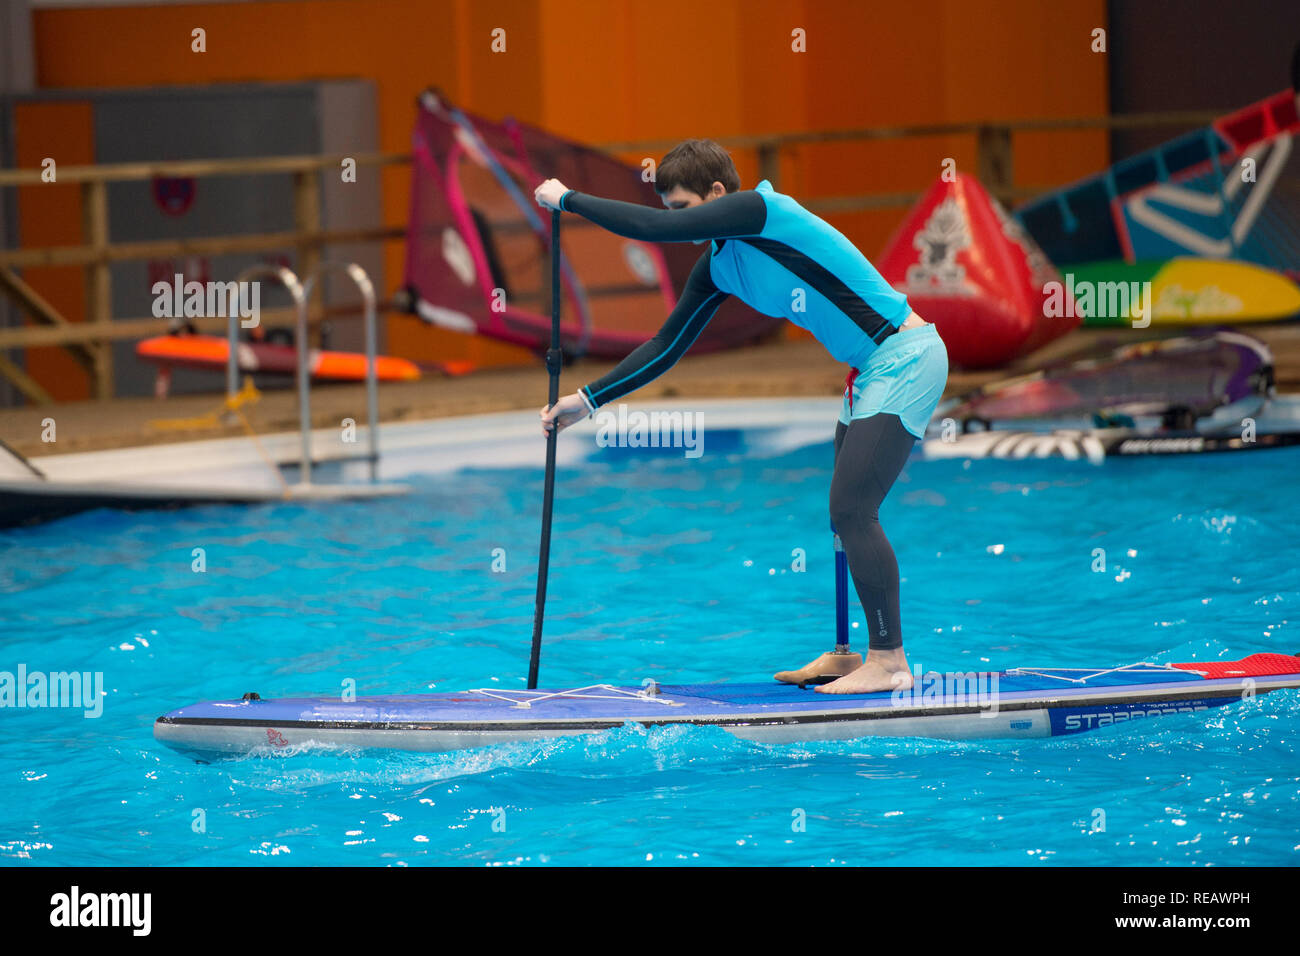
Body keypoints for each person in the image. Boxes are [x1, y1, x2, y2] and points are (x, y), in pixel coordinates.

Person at [533, 140, 948, 694]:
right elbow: (665, 345)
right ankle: (849, 655)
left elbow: (652, 230)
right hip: (866, 371)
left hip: (907, 356)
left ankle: (890, 662)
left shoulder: (760, 211)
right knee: (841, 518)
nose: (678, 222)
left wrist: (569, 201)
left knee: (853, 509)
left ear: (718, 194)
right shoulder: (719, 266)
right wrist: (585, 402)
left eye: (683, 207)